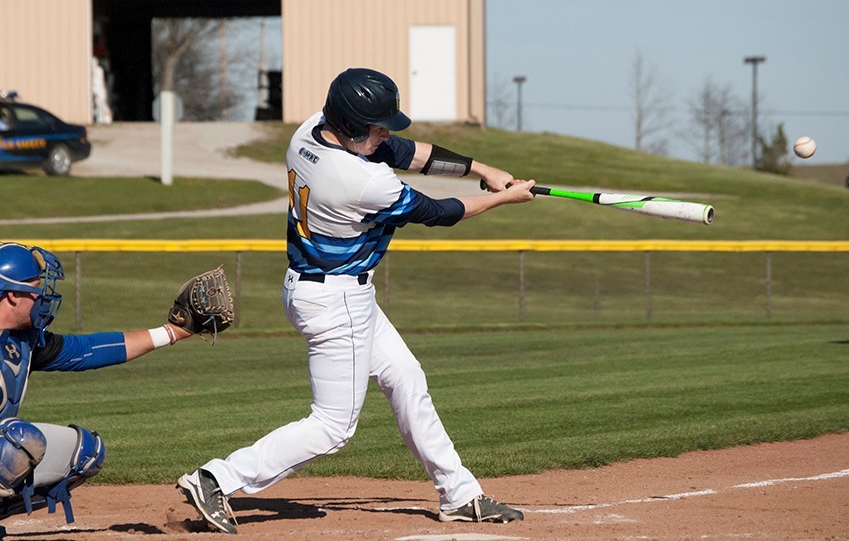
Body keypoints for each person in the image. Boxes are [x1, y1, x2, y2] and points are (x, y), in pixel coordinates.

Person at [177, 67, 536, 534]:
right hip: (335, 299)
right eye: (376, 125)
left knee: (406, 378)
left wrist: (481, 169)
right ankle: (216, 478)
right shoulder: (360, 181)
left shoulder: (311, 129)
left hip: (329, 290)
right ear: (348, 126)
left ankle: (460, 494)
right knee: (332, 427)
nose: (385, 133)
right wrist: (502, 199)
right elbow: (439, 212)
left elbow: (403, 150)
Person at [0, 241, 200, 532]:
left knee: (86, 452)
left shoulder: (25, 341)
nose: (43, 296)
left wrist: (172, 332)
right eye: (35, 287)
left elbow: (88, 350)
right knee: (17, 441)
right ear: (13, 296)